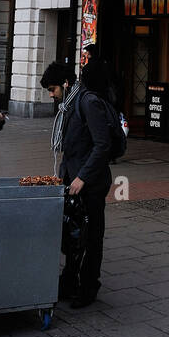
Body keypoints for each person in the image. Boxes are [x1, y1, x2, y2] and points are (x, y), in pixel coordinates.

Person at [46, 60, 112, 308]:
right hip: (74, 181)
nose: (51, 95)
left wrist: (82, 176)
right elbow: (71, 147)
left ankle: (88, 287)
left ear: (65, 83)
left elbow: (102, 145)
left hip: (91, 183)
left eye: (52, 89)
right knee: (75, 236)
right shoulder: (70, 104)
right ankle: (69, 282)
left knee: (92, 236)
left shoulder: (87, 102)